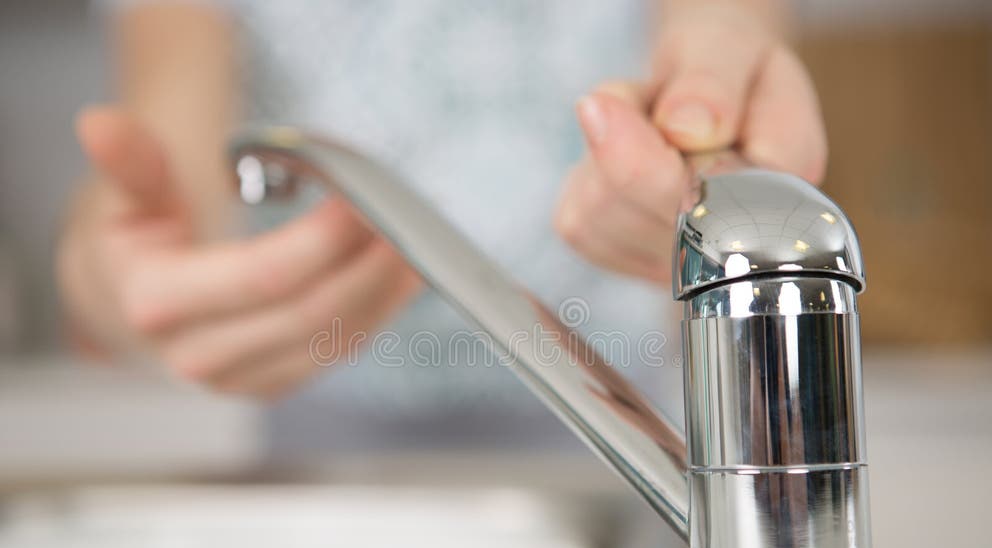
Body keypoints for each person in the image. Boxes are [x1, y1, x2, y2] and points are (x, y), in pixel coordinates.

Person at [59, 0, 826, 452]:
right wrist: (116, 273)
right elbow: (170, 114)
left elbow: (723, 35)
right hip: (318, 454)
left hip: (631, 435)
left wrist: (720, 140)